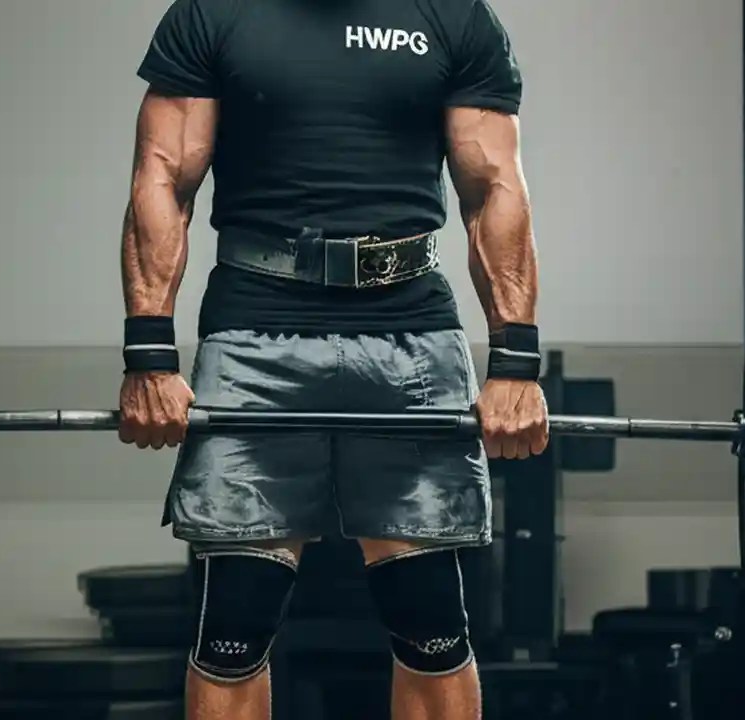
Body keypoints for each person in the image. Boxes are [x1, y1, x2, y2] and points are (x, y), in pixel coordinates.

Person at [117, 1, 547, 718]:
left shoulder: (452, 17)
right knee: (235, 626)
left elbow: (493, 189)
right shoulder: (213, 14)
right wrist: (150, 353)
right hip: (255, 334)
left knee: (431, 622)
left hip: (408, 337)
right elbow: (163, 177)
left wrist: (516, 363)